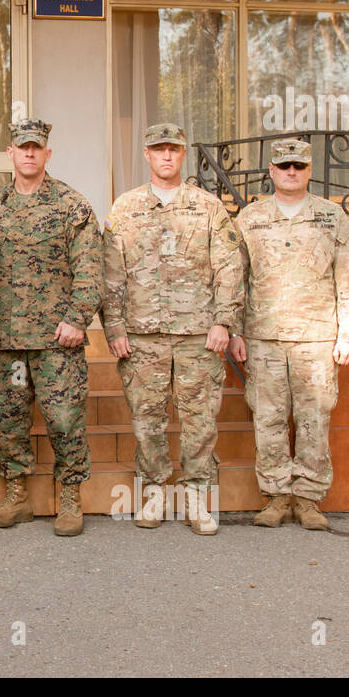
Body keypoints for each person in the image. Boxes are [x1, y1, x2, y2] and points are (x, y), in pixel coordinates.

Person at [102, 123, 243, 535]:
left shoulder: (209, 207)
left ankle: (199, 497)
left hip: (198, 335)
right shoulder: (125, 208)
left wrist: (224, 321)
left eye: (174, 149)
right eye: (158, 149)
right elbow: (111, 273)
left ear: (183, 155)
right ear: (146, 155)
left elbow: (229, 267)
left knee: (200, 421)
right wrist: (113, 327)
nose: (166, 156)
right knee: (147, 421)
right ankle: (153, 494)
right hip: (141, 336)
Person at [230, 138, 349, 530]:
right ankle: (276, 496)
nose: (291, 172)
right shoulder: (250, 219)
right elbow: (235, 279)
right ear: (272, 171)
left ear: (309, 171)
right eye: (284, 166)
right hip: (264, 336)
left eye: (299, 166)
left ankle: (308, 498)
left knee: (314, 418)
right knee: (268, 418)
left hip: (317, 337)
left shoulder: (332, 218)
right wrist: (234, 330)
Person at [0, 119, 102, 536]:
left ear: (47, 154)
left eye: (36, 148)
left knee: (64, 418)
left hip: (56, 341)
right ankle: (17, 498)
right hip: (9, 343)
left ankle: (69, 497)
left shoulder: (72, 205)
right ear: (10, 154)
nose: (29, 154)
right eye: (21, 147)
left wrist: (77, 318)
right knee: (9, 419)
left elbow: (90, 267)